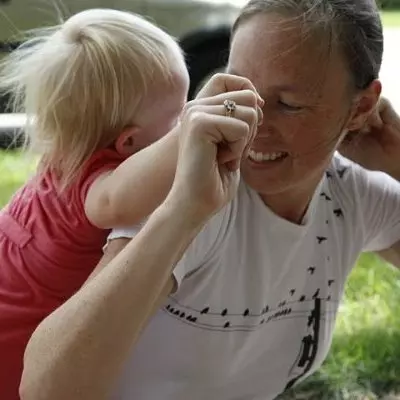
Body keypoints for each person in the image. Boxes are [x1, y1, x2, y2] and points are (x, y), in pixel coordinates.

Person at [19, 0, 400, 399]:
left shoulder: (348, 194)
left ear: (360, 107)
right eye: (238, 92)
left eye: (288, 105)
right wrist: (183, 212)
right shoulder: (193, 182)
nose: (251, 125)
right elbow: (47, 389)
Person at [0, 8, 192, 399]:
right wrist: (193, 134)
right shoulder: (99, 186)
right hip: (14, 340)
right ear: (128, 144)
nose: (186, 118)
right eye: (177, 118)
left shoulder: (65, 153)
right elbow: (118, 202)